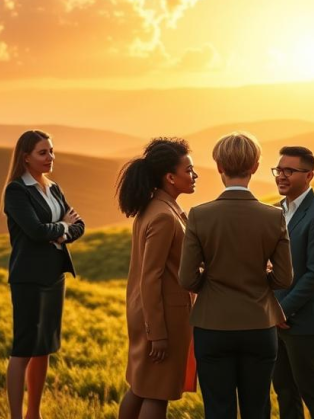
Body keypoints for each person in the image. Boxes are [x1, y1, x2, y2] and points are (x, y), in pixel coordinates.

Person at [179, 131, 293, 419]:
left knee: (218, 409)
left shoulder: (199, 215)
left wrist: (214, 281)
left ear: (218, 167)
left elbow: (187, 279)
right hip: (259, 324)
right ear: (255, 167)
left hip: (212, 325)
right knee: (258, 409)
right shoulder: (274, 216)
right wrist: (256, 281)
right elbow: (283, 278)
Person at [2, 130, 85, 419]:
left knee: (44, 348)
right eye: (43, 152)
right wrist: (62, 227)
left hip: (54, 277)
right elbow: (36, 231)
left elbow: (79, 225)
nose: (50, 157)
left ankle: (33, 413)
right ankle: (16, 416)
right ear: (26, 157)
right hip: (28, 279)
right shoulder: (16, 191)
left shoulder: (54, 188)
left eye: (51, 151)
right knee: (24, 348)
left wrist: (61, 232)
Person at [116, 138, 200, 419]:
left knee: (141, 387)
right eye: (188, 170)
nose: (194, 175)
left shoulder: (156, 207)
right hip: (162, 316)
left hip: (149, 312)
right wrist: (158, 334)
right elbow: (150, 277)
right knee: (157, 393)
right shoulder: (164, 216)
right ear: (170, 177)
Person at [270, 146, 314, 419]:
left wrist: (283, 309)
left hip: (303, 322)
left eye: (290, 171)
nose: (281, 176)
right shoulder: (276, 211)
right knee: (284, 390)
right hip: (274, 318)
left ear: (309, 175)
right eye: (279, 170)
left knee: (313, 392)